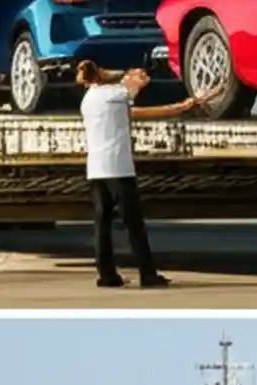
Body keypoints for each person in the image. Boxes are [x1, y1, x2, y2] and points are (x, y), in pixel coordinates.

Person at [77, 60, 215, 288]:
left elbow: (137, 112)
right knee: (134, 224)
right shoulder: (114, 94)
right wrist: (138, 75)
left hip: (96, 169)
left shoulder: (89, 99)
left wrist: (181, 106)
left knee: (102, 224)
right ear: (101, 75)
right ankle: (147, 273)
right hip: (118, 168)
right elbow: (138, 85)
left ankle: (106, 274)